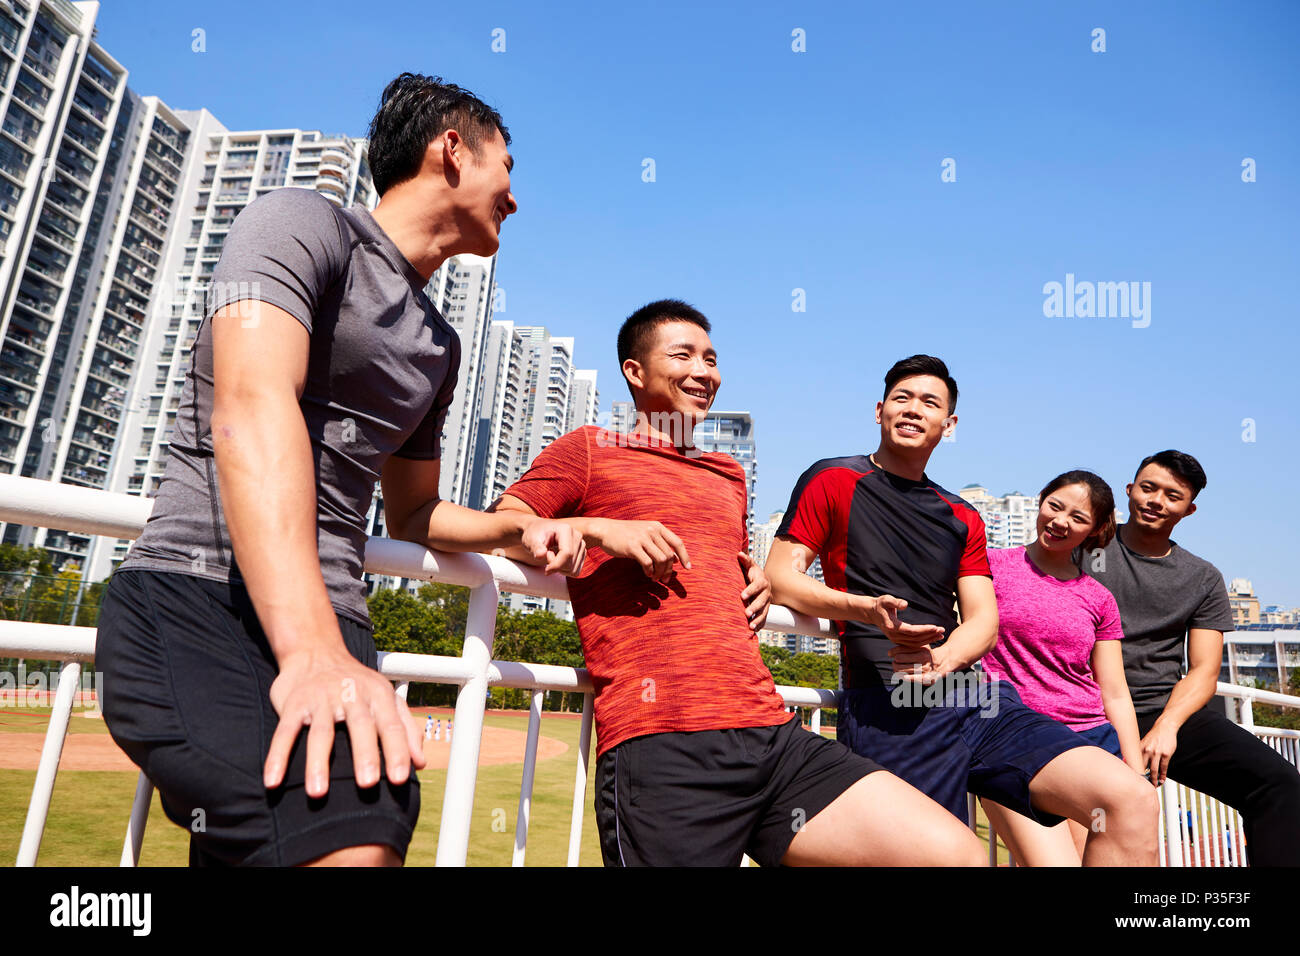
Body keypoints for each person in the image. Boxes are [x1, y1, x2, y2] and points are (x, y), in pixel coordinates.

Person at [95, 74, 585, 866]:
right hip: (201, 594)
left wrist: (515, 530)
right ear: (450, 148)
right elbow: (250, 404)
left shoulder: (439, 344)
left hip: (335, 619)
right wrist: (312, 655)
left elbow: (414, 515)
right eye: (510, 168)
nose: (516, 200)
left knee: (334, 825)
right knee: (347, 828)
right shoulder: (300, 221)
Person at [490, 303, 988, 866]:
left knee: (954, 854)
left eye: (712, 358)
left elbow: (724, 564)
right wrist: (600, 530)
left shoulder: (728, 472)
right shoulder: (588, 448)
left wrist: (754, 579)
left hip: (771, 731)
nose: (705, 371)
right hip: (664, 740)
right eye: (683, 356)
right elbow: (504, 529)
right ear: (635, 371)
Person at [765, 354, 1159, 865]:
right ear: (879, 410)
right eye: (902, 398)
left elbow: (983, 621)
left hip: (978, 699)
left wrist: (944, 661)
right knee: (951, 857)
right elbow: (780, 577)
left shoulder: (963, 515)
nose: (913, 410)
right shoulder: (833, 478)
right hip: (889, 707)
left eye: (930, 403)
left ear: (948, 426)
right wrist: (861, 609)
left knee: (1130, 799)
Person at [1092, 450, 1300, 866]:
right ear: (1129, 490)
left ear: (1189, 509)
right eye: (1148, 488)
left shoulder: (1202, 576)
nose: (1156, 501)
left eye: (1172, 495)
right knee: (1102, 816)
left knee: (1281, 785)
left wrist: (1168, 726)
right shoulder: (1087, 546)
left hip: (1159, 712)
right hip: (1085, 706)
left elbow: (1204, 671)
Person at [977, 469, 1147, 865]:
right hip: (1014, 738)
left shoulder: (1099, 598)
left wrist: (1135, 771)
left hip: (1091, 739)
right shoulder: (987, 567)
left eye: (1078, 517)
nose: (1060, 521)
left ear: (1095, 530)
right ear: (1040, 499)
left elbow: (1115, 691)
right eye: (1055, 506)